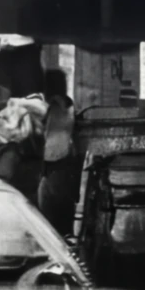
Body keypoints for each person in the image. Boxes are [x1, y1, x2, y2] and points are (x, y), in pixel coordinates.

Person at [37, 69, 80, 236]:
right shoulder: (66, 105)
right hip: (60, 163)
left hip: (56, 163)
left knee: (50, 213)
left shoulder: (57, 105)